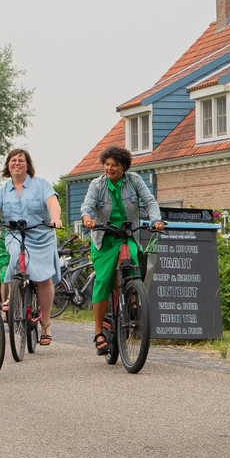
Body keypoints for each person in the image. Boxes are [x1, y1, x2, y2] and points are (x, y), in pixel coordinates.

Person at [79, 145, 165, 355]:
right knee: (104, 279)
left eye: (114, 165)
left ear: (124, 167)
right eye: (107, 164)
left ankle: (133, 298)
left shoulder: (134, 180)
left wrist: (156, 220)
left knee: (134, 263)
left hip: (127, 236)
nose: (109, 168)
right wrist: (87, 218)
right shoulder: (97, 184)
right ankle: (99, 331)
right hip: (104, 239)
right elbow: (87, 205)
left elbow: (149, 201)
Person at [0, 148, 63, 346]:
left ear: (28, 165)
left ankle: (45, 323)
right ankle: (12, 298)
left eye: (21, 160)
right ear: (8, 166)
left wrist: (55, 218)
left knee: (44, 277)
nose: (17, 163)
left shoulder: (41, 184)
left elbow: (53, 203)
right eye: (13, 160)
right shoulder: (3, 190)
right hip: (15, 234)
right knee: (14, 258)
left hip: (41, 234)